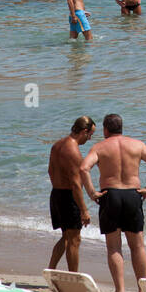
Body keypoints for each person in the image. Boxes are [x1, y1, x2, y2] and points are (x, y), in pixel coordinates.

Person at [78, 114, 146, 292]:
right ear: (121, 128)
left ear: (105, 129)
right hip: (133, 195)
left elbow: (84, 168)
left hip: (111, 196)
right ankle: (142, 291)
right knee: (138, 245)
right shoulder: (137, 145)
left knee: (114, 247)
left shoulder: (100, 147)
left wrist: (92, 193)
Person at [47, 116, 96, 272]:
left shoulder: (57, 145)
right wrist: (84, 210)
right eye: (90, 135)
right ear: (83, 131)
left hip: (56, 194)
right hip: (68, 197)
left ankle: (51, 269)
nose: (90, 139)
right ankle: (74, 277)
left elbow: (50, 171)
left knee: (66, 237)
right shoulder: (73, 150)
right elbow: (75, 184)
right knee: (75, 240)